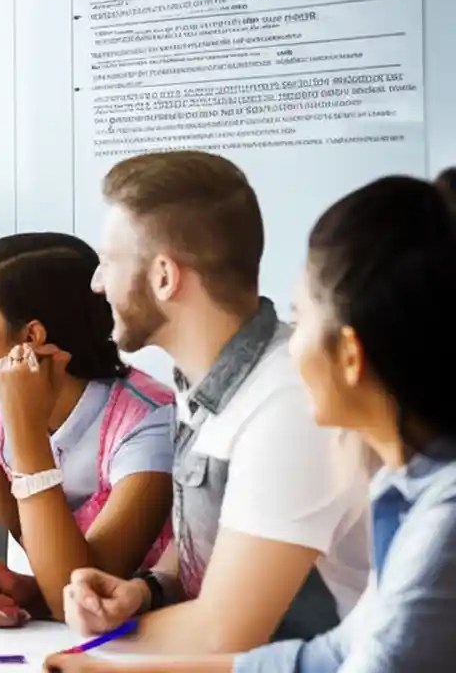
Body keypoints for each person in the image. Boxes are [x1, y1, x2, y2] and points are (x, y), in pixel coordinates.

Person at [45, 176, 456, 672]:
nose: (95, 282)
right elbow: (331, 656)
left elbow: (228, 634)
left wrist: (111, 661)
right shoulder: (405, 488)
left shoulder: (290, 405)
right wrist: (145, 594)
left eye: (301, 319)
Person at [0, 233, 174, 624]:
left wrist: (25, 432)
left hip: (160, 641)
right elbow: (56, 588)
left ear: (31, 337)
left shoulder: (149, 422)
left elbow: (77, 595)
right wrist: (24, 593)